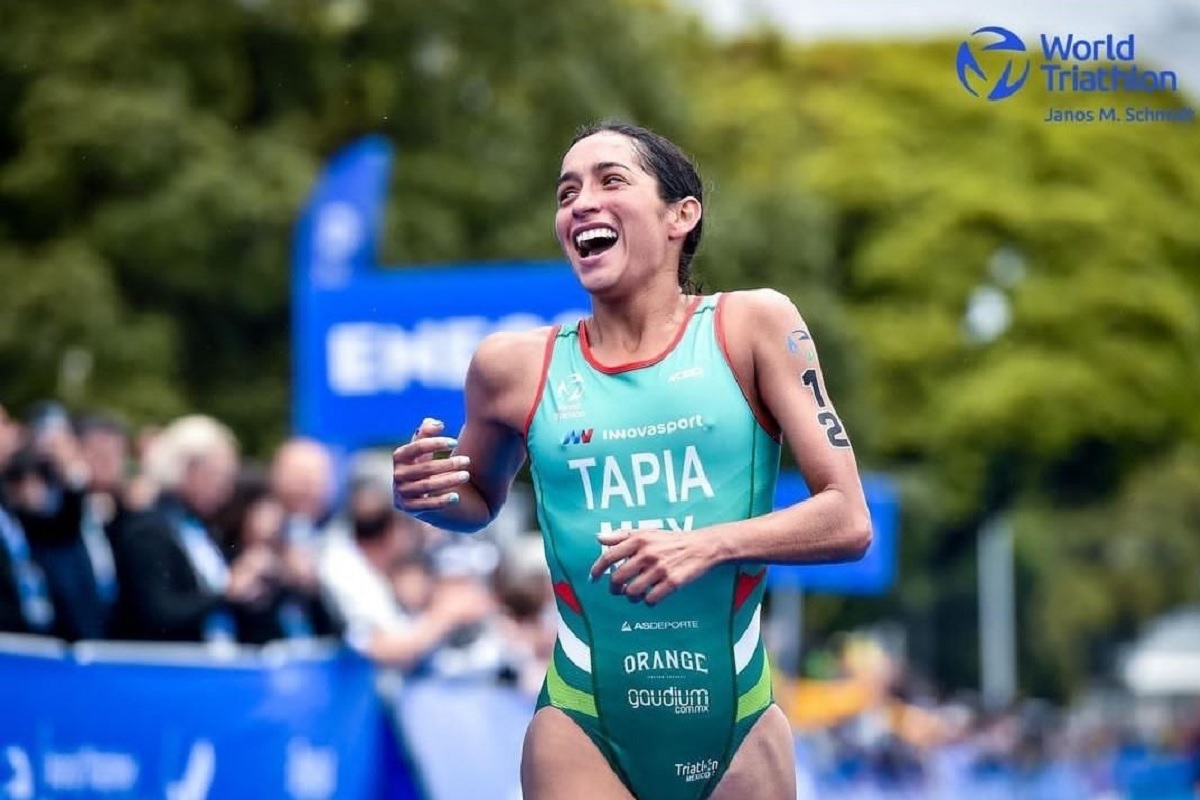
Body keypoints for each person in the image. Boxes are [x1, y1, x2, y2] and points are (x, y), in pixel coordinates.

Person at [392, 121, 872, 800]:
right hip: (584, 721)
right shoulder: (513, 367)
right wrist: (425, 492)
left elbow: (848, 520)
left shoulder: (753, 326)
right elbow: (475, 503)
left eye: (611, 180)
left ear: (681, 214)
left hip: (737, 724)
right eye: (566, 193)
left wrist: (704, 545)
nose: (581, 203)